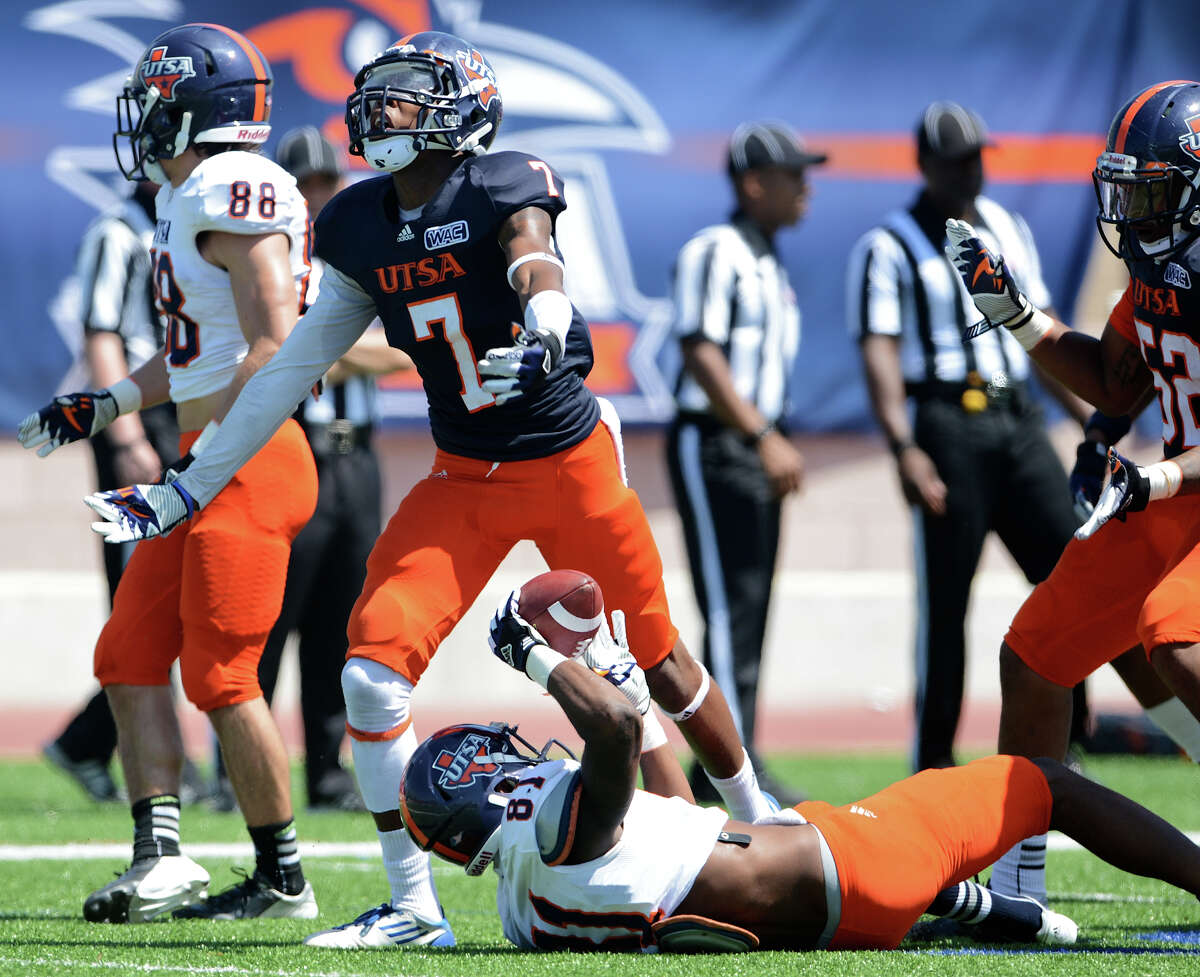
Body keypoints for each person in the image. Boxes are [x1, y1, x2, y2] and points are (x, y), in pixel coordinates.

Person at [82, 30, 777, 949]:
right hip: (462, 478)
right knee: (369, 675)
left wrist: (547, 320)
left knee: (657, 657)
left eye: (408, 96)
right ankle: (415, 908)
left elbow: (535, 255)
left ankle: (758, 817)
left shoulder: (503, 183)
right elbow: (291, 368)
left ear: (462, 108)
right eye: (380, 94)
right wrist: (188, 486)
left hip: (566, 462)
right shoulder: (359, 221)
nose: (384, 110)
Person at [393, 581, 1200, 952]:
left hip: (828, 889)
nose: (519, 757)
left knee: (871, 839)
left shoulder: (531, 901)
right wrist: (531, 654)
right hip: (854, 855)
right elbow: (607, 734)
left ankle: (977, 905)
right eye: (496, 762)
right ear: (490, 799)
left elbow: (670, 825)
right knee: (1046, 781)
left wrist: (626, 688)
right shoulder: (559, 836)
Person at [18, 23, 319, 922]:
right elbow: (196, 357)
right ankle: (162, 857)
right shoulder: (191, 195)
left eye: (153, 101)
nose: (142, 120)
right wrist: (107, 406)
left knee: (223, 674)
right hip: (207, 456)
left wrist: (201, 470)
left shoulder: (235, 186)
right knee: (128, 654)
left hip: (249, 458)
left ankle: (282, 879)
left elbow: (274, 346)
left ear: (192, 108)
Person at [943, 78, 1200, 903]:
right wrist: (1019, 316)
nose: (1131, 208)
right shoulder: (1165, 270)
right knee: (1035, 657)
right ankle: (1018, 892)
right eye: (1126, 187)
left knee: (1172, 635)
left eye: (1151, 189)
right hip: (1172, 493)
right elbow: (1117, 384)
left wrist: (1156, 476)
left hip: (1178, 485)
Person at [847, 100, 1103, 772]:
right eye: (957, 160)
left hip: (1017, 420)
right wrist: (903, 445)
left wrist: (1089, 416)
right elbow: (879, 346)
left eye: (977, 157)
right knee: (947, 603)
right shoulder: (891, 242)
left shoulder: (1007, 227)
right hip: (947, 424)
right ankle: (932, 761)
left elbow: (1039, 330)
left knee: (1066, 569)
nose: (971, 171)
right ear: (927, 164)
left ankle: (1067, 738)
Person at [251, 125, 412, 812]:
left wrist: (354, 347)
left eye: (325, 184)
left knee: (340, 617)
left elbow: (399, 347)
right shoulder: (270, 261)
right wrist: (358, 346)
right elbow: (318, 351)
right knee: (273, 612)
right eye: (304, 186)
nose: (317, 197)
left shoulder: (352, 256)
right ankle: (243, 760)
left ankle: (324, 767)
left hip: (358, 454)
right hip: (299, 449)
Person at [665, 121, 820, 806]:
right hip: (717, 440)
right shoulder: (716, 250)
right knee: (728, 612)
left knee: (751, 611)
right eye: (794, 175)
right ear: (754, 182)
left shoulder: (766, 258)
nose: (806, 188)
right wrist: (762, 433)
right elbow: (701, 350)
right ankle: (735, 765)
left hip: (754, 441)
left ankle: (726, 761)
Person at [41, 179, 181, 804]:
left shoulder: (193, 214)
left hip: (177, 417)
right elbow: (103, 333)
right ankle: (108, 746)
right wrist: (126, 435)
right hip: (137, 424)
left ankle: (91, 742)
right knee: (142, 597)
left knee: (180, 595)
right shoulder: (118, 229)